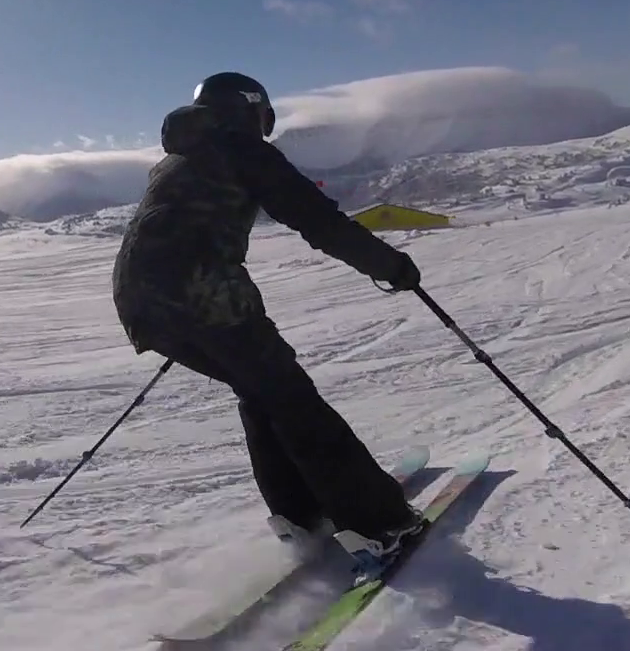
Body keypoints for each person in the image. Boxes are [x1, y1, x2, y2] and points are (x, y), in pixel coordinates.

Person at [111, 72, 426, 561]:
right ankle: (378, 523)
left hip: (139, 303)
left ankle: (297, 511)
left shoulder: (175, 159)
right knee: (293, 400)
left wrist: (175, 311)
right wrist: (392, 267)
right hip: (205, 296)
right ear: (251, 110)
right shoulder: (243, 149)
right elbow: (318, 220)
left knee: (263, 392)